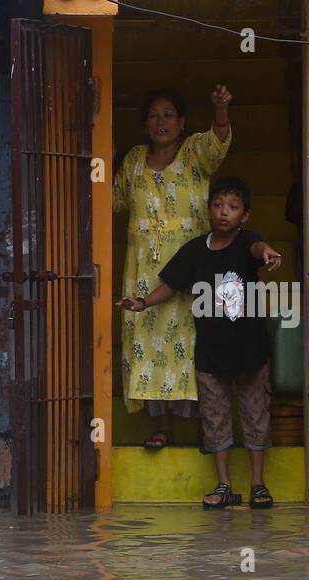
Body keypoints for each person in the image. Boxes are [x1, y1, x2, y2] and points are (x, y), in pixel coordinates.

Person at [118, 178, 283, 509]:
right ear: (208, 210)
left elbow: (257, 247)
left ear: (245, 215)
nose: (224, 212)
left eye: (233, 207)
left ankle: (258, 485)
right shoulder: (195, 250)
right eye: (218, 205)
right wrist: (142, 303)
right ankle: (224, 486)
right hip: (210, 353)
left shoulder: (247, 241)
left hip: (251, 350)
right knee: (215, 419)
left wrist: (266, 252)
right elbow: (171, 285)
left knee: (255, 416)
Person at [113, 85, 234, 450]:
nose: (160, 122)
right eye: (153, 116)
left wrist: (220, 110)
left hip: (190, 270)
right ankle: (162, 427)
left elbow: (217, 144)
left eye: (168, 115)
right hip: (142, 272)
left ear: (182, 122)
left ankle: (206, 432)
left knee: (193, 346)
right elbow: (114, 201)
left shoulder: (195, 150)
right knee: (149, 348)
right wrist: (103, 157)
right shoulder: (134, 159)